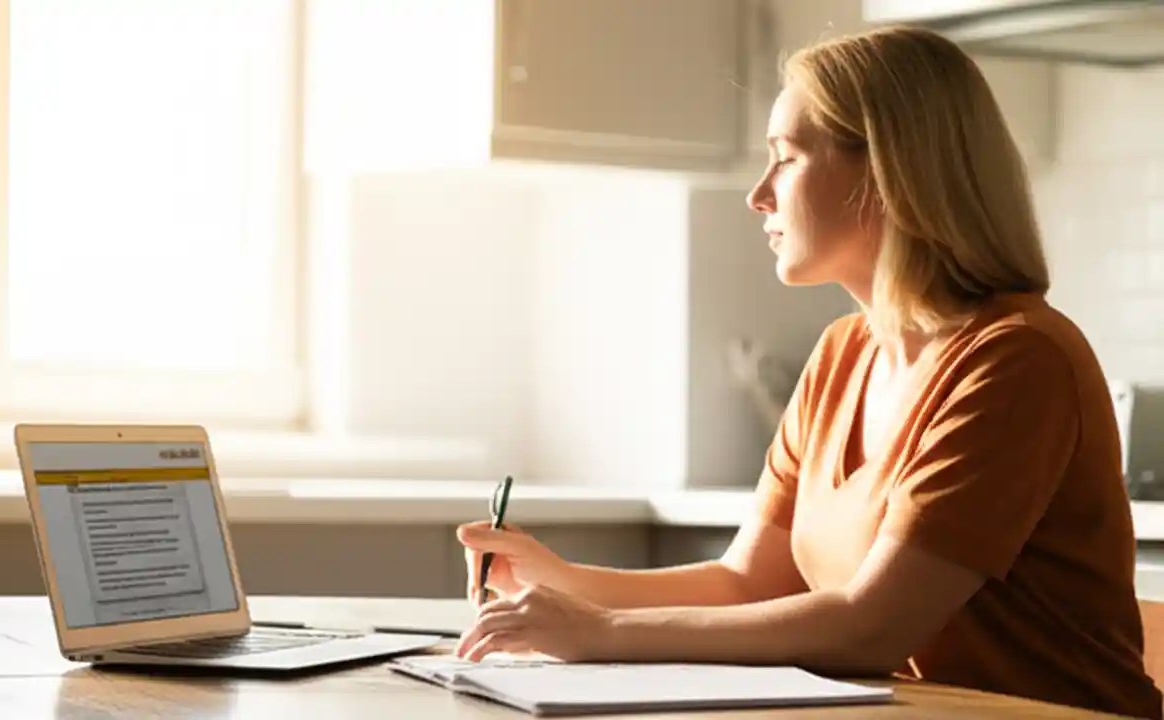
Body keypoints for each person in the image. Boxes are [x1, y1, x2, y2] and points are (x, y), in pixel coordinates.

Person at [454, 25, 1163, 719]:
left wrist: (600, 635)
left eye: (786, 158)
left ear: (888, 171)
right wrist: (564, 585)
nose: (758, 194)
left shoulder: (1015, 360)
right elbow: (746, 585)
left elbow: (871, 629)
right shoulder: (842, 353)